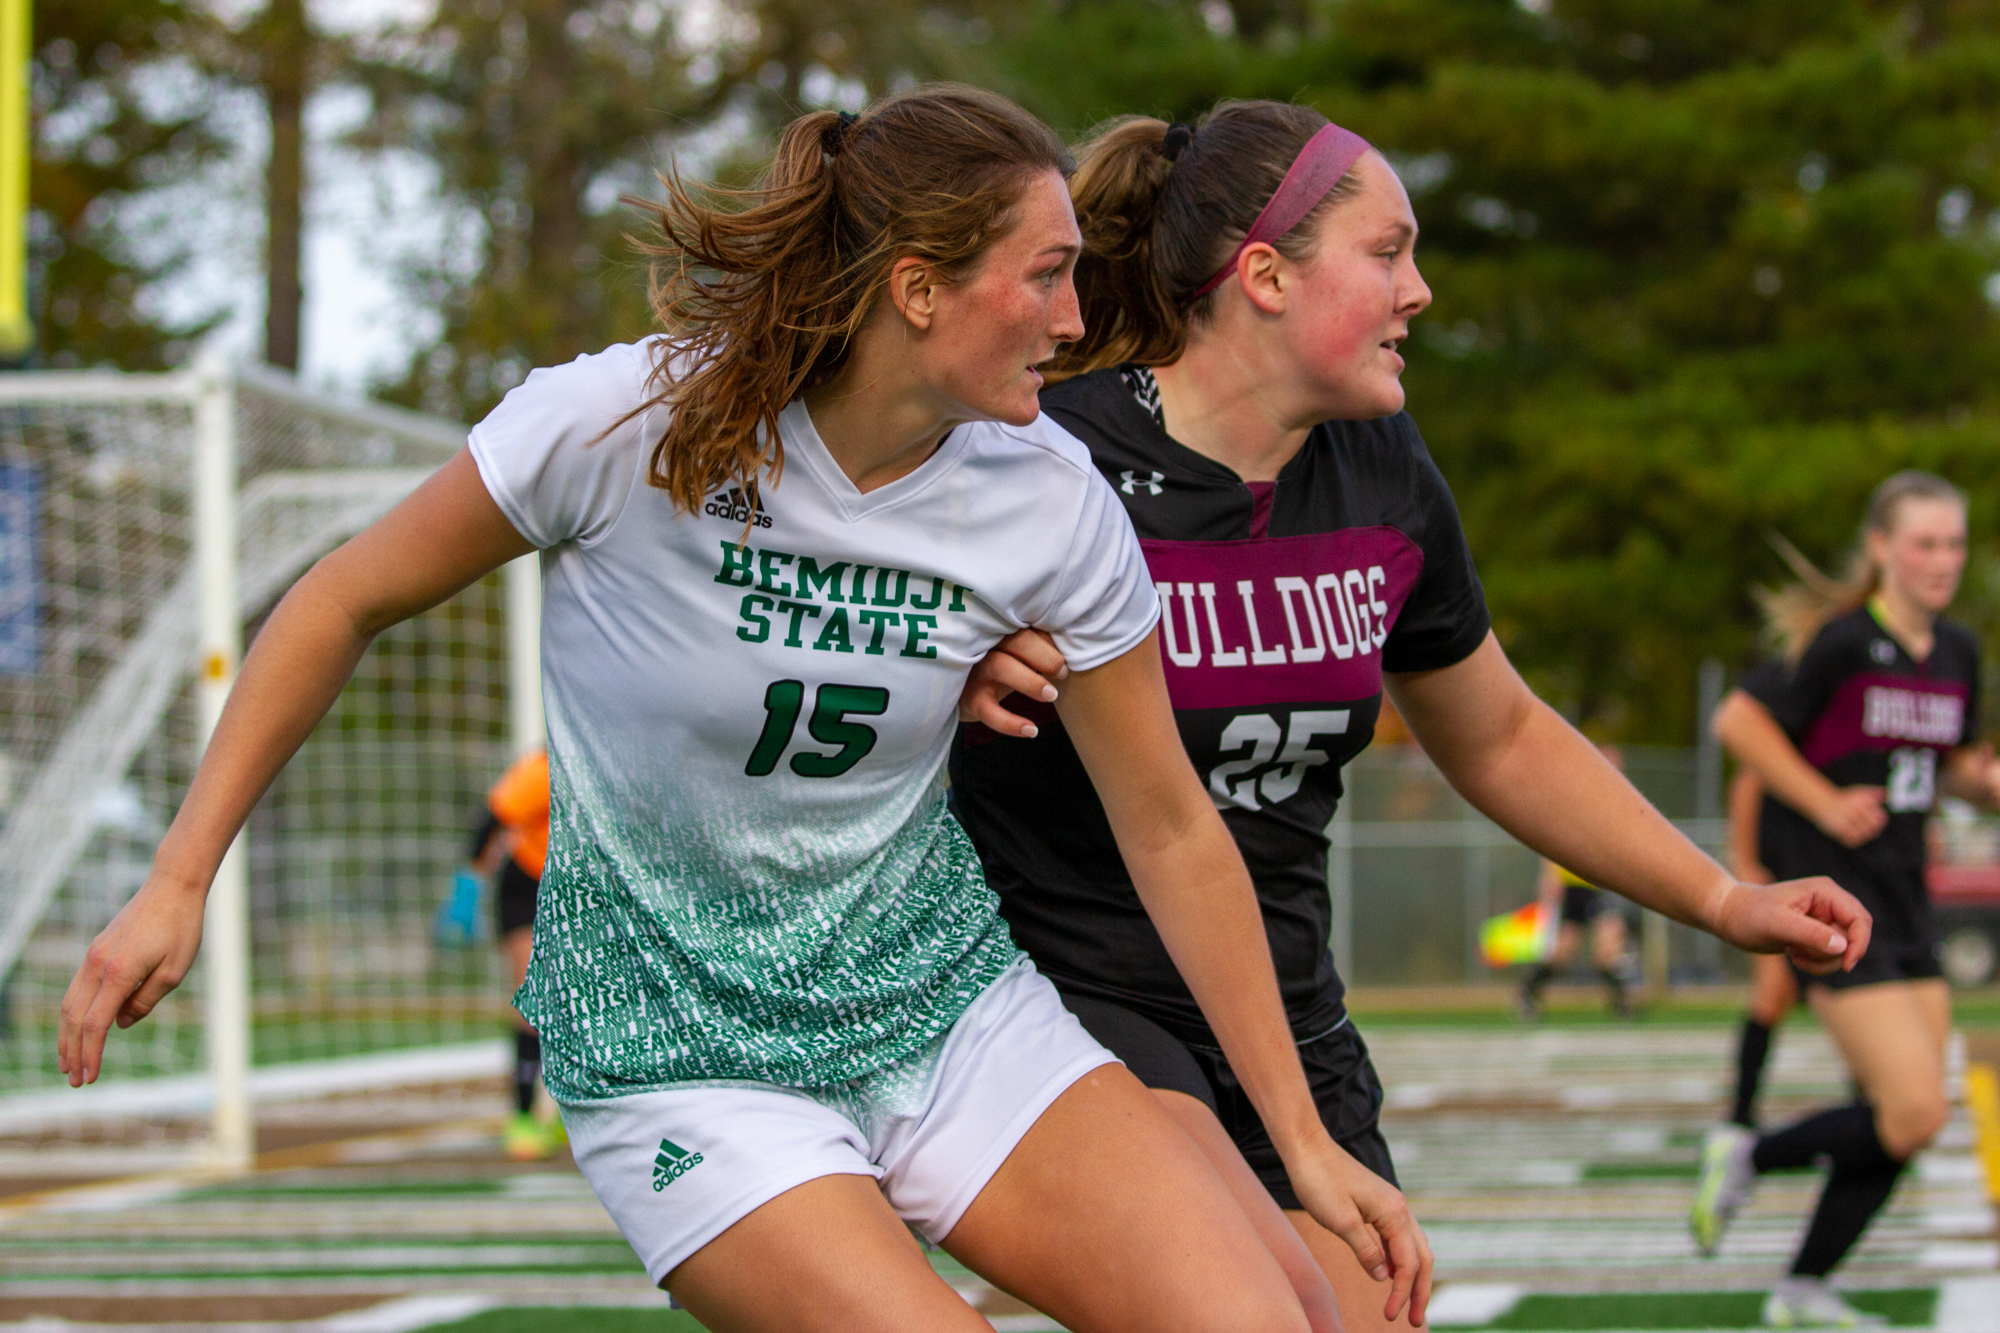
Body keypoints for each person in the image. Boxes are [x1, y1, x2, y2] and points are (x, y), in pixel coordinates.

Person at [55, 85, 1449, 1333]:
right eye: (1047, 278)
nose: (1080, 324)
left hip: (943, 1013)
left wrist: (1301, 1142)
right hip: (684, 1055)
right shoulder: (623, 426)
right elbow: (337, 599)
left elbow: (1172, 831)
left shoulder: (1045, 499)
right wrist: (177, 878)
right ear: (917, 290)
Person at [947, 100, 1872, 1333]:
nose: (1419, 291)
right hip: (1070, 1004)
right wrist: (930, 650)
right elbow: (803, 583)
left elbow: (1496, 733)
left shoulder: (1381, 470)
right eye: (1387, 252)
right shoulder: (1046, 455)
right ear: (1264, 276)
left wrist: (1720, 899)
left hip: (1286, 1013)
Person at [1697, 471, 2000, 1328]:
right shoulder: (1840, 642)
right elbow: (1739, 726)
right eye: (1924, 542)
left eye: (1953, 542)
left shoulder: (1958, 652)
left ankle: (1800, 1288)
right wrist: (1825, 801)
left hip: (1909, 899)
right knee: (1914, 1108)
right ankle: (1750, 1153)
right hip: (1838, 900)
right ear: (1881, 548)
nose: (1941, 559)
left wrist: (1985, 785)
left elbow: (1952, 772)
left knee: (1902, 1121)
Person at [464, 746, 559, 1160]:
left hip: (579, 888)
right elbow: (491, 821)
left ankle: (574, 1108)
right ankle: (521, 1116)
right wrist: (468, 885)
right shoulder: (544, 769)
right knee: (530, 1001)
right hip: (527, 886)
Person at [1517, 747, 1642, 1020]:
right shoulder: (1580, 796)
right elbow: (1551, 836)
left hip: (1597, 884)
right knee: (1562, 952)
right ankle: (1527, 996)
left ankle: (1623, 1004)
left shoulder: (1617, 802)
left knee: (1608, 944)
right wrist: (1549, 875)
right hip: (1574, 883)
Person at [1724, 759, 1801, 1132]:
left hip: (1825, 876)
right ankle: (1740, 1114)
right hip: (1780, 880)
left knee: (1852, 997)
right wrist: (1745, 862)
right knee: (1771, 997)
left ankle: (1871, 1103)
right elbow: (1748, 781)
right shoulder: (1783, 729)